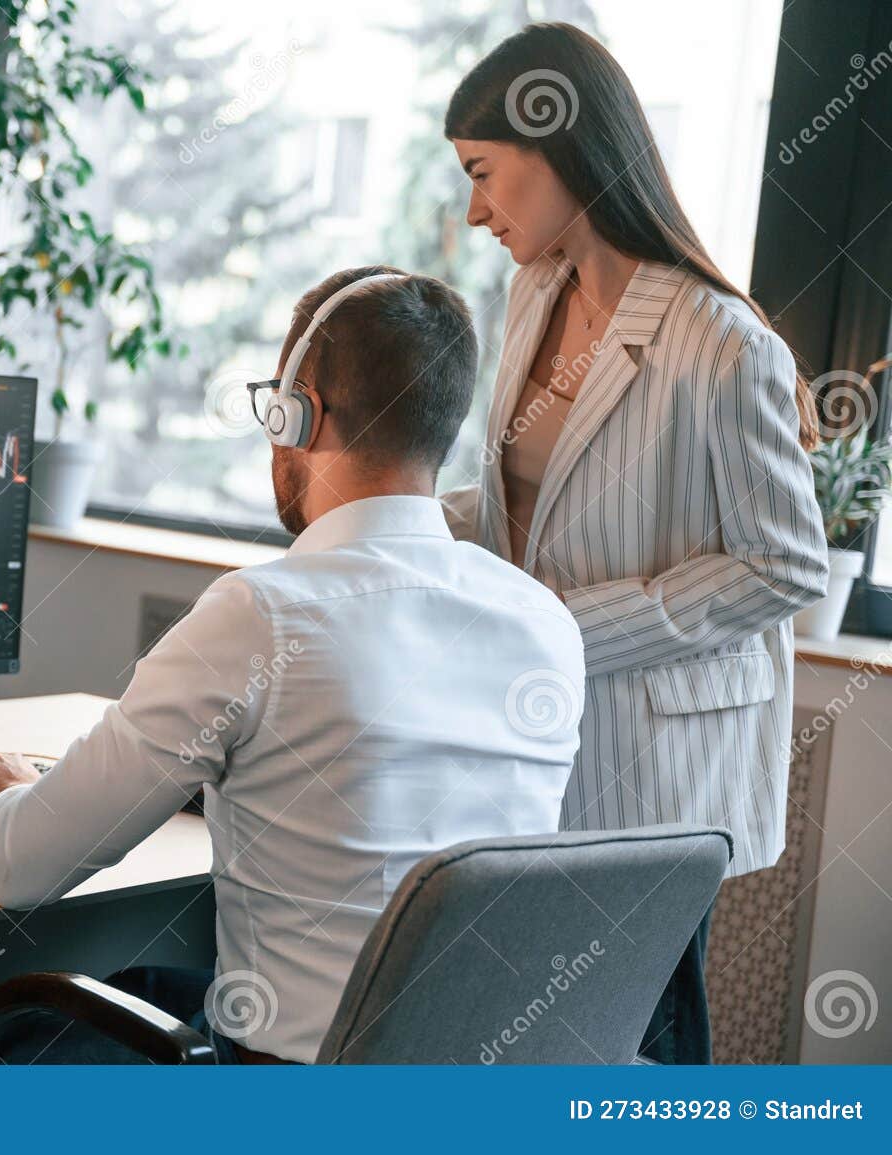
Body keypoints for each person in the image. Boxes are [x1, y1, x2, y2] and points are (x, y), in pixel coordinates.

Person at [0, 267, 586, 1064]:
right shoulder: (544, 621)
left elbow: (23, 869)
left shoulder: (261, 614)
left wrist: (18, 790)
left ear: (303, 416)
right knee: (155, 978)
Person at [440, 23, 829, 1063]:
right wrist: (382, 527)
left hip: (660, 767)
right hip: (536, 741)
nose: (474, 211)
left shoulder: (722, 343)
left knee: (639, 1052)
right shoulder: (536, 293)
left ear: (559, 148)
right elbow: (515, 497)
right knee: (536, 1044)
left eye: (483, 175)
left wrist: (570, 631)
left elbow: (785, 564)